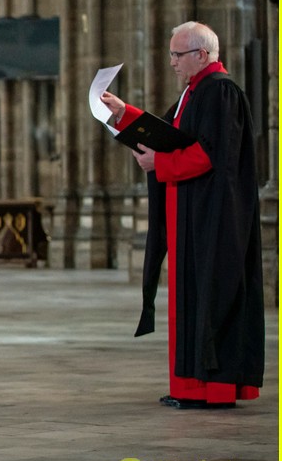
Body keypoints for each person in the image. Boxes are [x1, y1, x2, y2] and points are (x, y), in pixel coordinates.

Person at [100, 21, 264, 410]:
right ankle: (190, 387)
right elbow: (169, 134)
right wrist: (124, 114)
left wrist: (161, 163)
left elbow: (211, 153)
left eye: (178, 54)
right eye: (171, 54)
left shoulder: (220, 91)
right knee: (192, 298)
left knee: (213, 297)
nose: (171, 62)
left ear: (202, 55)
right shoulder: (196, 91)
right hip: (193, 212)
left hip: (215, 216)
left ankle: (215, 390)